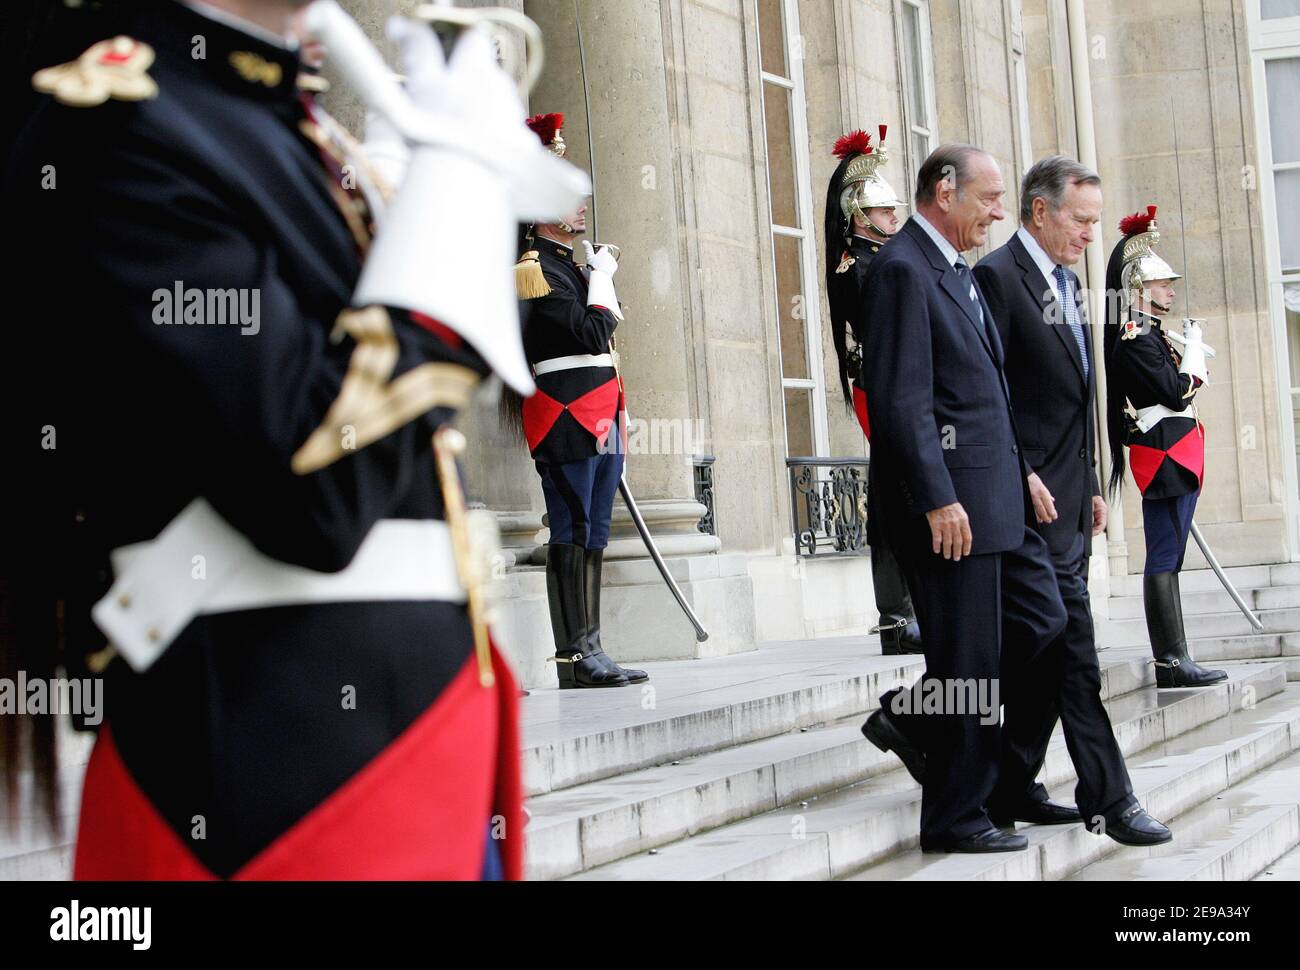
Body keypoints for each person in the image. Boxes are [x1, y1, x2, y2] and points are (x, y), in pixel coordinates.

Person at [2, 0, 586, 879]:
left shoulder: (269, 122)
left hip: (415, 757)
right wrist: (450, 207)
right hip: (277, 794)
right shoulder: (118, 121)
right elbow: (316, 484)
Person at [857, 144, 1067, 853]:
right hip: (950, 512)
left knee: (1043, 623)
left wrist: (1022, 471)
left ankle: (918, 719)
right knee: (968, 668)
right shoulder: (901, 272)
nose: (999, 212)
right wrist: (936, 498)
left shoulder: (958, 271)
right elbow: (901, 400)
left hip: (997, 497)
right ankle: (955, 815)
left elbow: (984, 393)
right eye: (988, 197)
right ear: (943, 193)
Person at [973, 157, 1171, 845]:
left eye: (1094, 220)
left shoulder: (1072, 283)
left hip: (1067, 501)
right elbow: (986, 395)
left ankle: (1008, 781)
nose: (1092, 234)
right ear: (1039, 213)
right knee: (1074, 648)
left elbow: (1069, 394)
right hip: (1022, 505)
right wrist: (1023, 471)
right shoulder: (995, 280)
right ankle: (1111, 798)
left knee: (1047, 649)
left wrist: (1089, 481)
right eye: (1081, 220)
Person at [511, 112, 648, 690]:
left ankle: (593, 646)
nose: (581, 207)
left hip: (602, 412)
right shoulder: (535, 271)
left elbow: (605, 331)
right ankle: (573, 656)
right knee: (569, 527)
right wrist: (601, 278)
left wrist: (596, 275)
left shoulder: (569, 267)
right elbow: (592, 333)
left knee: (595, 529)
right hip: (565, 416)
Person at [1103, 206, 1227, 688]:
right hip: (1165, 455)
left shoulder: (1153, 334)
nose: (1169, 290)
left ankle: (1177, 659)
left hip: (1175, 452)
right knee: (1163, 558)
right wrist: (1194, 350)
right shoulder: (1136, 338)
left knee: (1170, 557)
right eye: (1161, 284)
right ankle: (1172, 662)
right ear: (1138, 289)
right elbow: (1177, 392)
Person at [823, 125, 921, 656]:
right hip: (880, 386)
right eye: (885, 214)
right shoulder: (857, 265)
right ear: (860, 217)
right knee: (891, 502)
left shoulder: (883, 259)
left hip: (899, 384)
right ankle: (894, 616)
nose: (893, 220)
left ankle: (910, 608)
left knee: (907, 497)